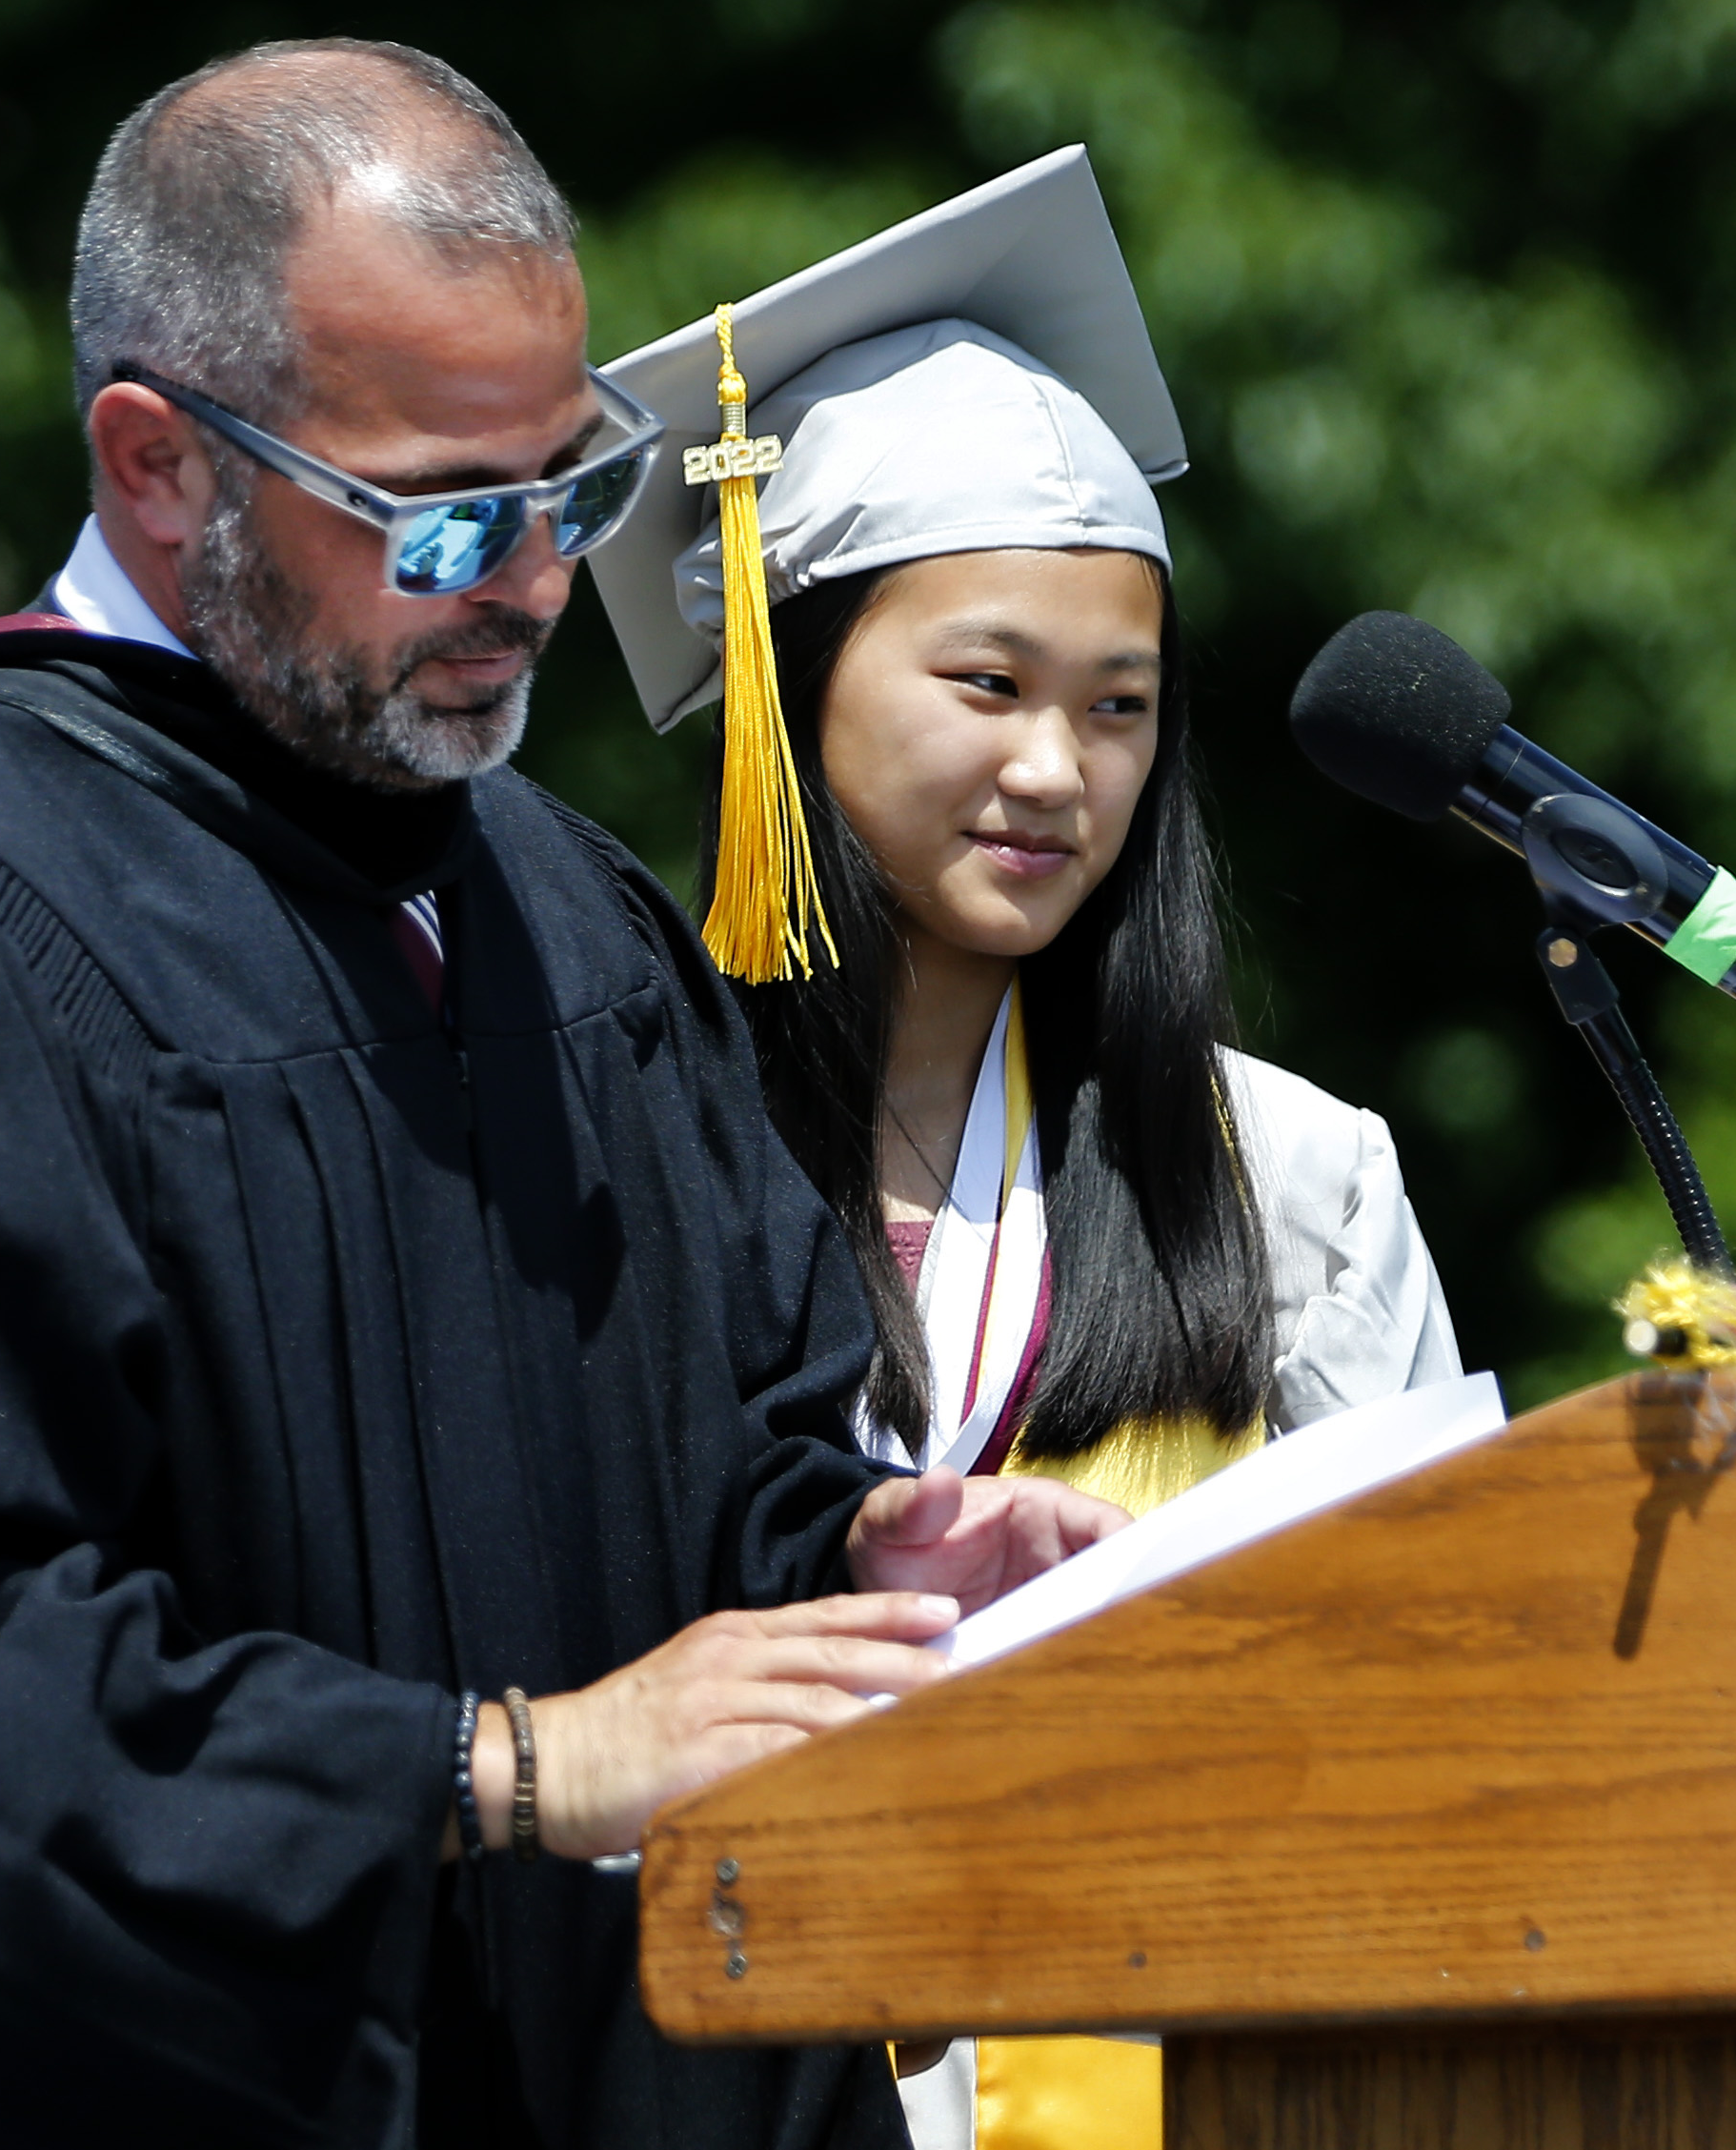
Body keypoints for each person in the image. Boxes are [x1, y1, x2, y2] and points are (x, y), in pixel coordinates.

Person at [0, 40, 1123, 2150]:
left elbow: (718, 1435)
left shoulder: (565, 917)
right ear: (157, 465)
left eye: (578, 484)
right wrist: (493, 1768)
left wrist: (861, 1553)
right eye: (445, 512)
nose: (540, 584)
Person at [593, 151, 1469, 2150]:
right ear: (785, 684)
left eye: (1121, 706)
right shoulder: (601, 1169)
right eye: (983, 682)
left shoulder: (1286, 1182)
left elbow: (1429, 1710)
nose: (1059, 769)